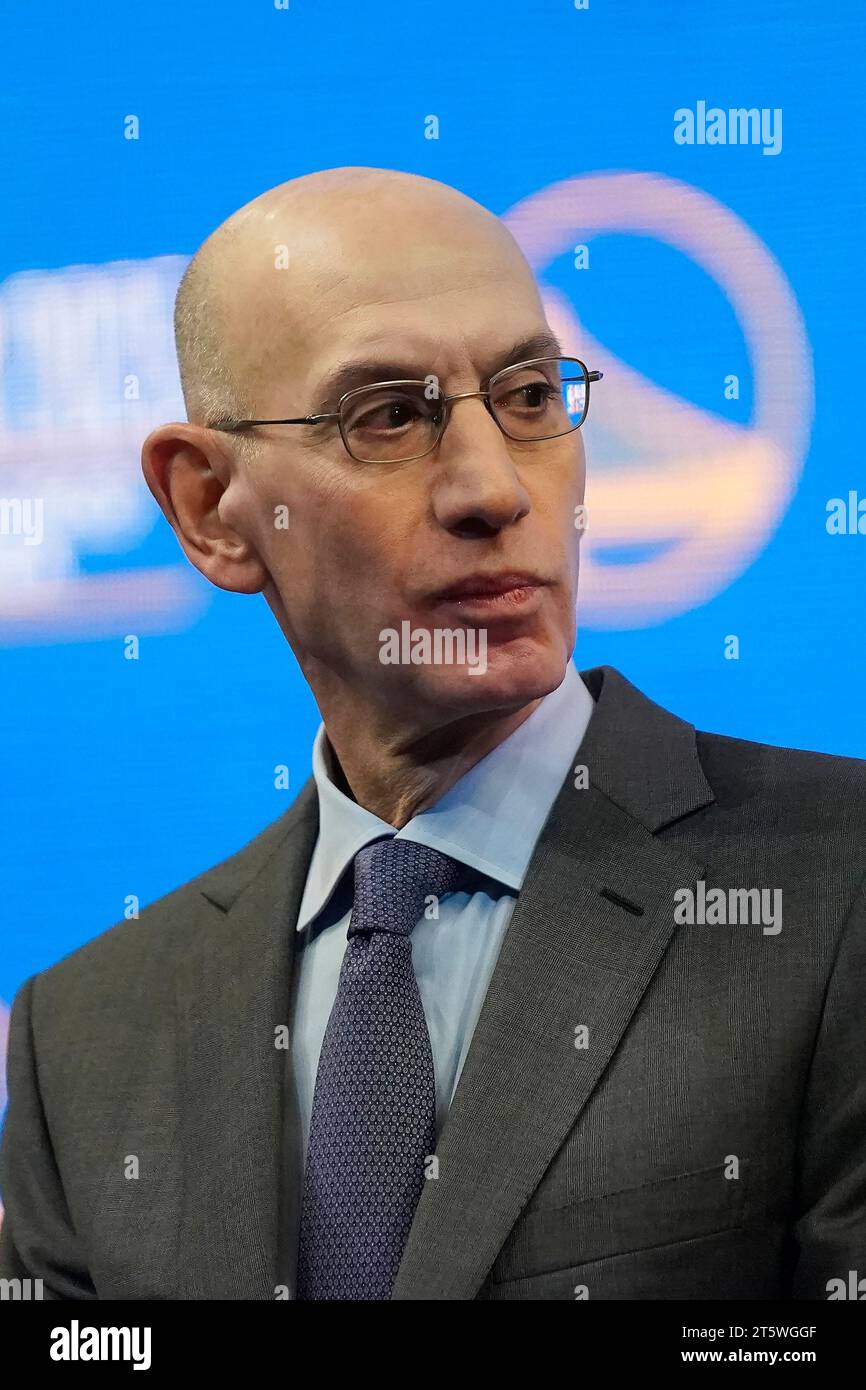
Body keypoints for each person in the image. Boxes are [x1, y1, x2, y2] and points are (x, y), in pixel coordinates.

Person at [1, 167, 865, 1300]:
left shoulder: (836, 886)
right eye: (389, 417)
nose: (492, 488)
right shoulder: (84, 1042)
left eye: (526, 397)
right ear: (212, 508)